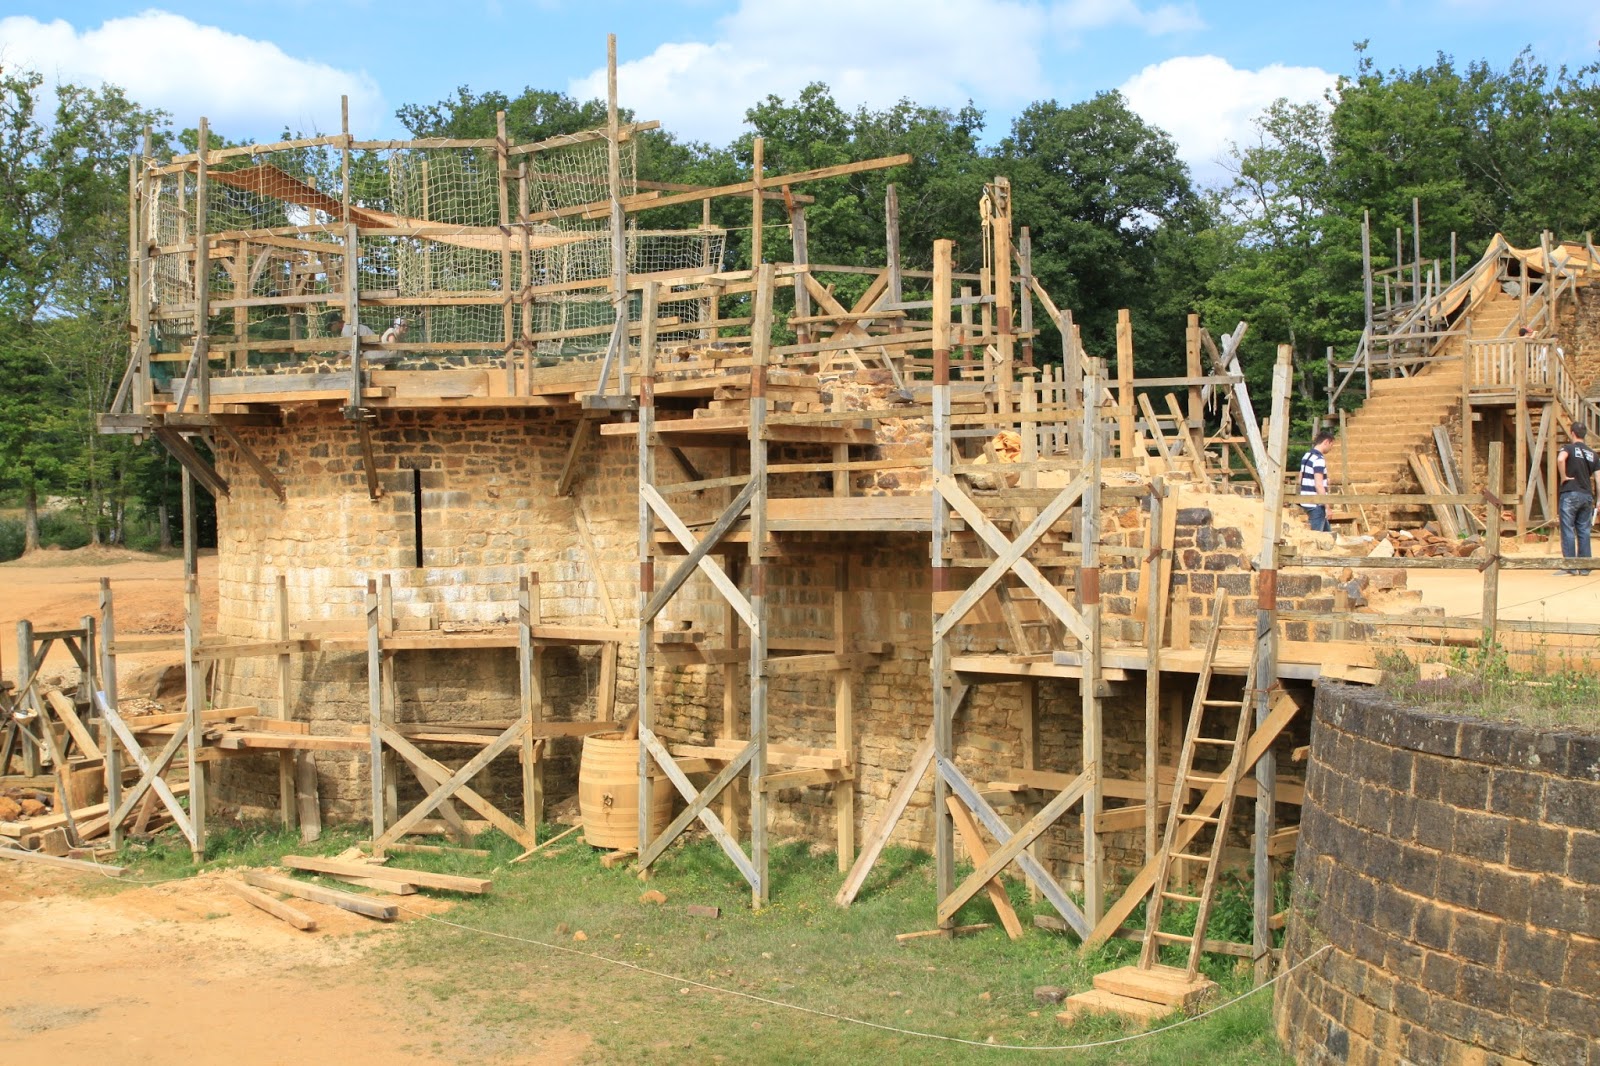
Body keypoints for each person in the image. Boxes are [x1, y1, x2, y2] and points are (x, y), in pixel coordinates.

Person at [1556, 424, 1599, 575]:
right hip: (1587, 495)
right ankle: (1585, 567)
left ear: (1572, 433)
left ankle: (1570, 567)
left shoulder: (1568, 448)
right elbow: (1598, 478)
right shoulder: (1593, 454)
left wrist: (1563, 476)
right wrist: (1598, 499)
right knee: (1584, 530)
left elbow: (1561, 460)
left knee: (1568, 529)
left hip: (1570, 492)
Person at [1298, 429, 1336, 533]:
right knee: (1317, 537)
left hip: (1306, 500)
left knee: (1328, 536)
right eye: (1331, 445)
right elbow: (1319, 485)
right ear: (1326, 442)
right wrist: (1327, 507)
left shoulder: (1307, 456)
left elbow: (1300, 477)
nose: (1331, 448)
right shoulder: (1319, 459)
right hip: (1316, 505)